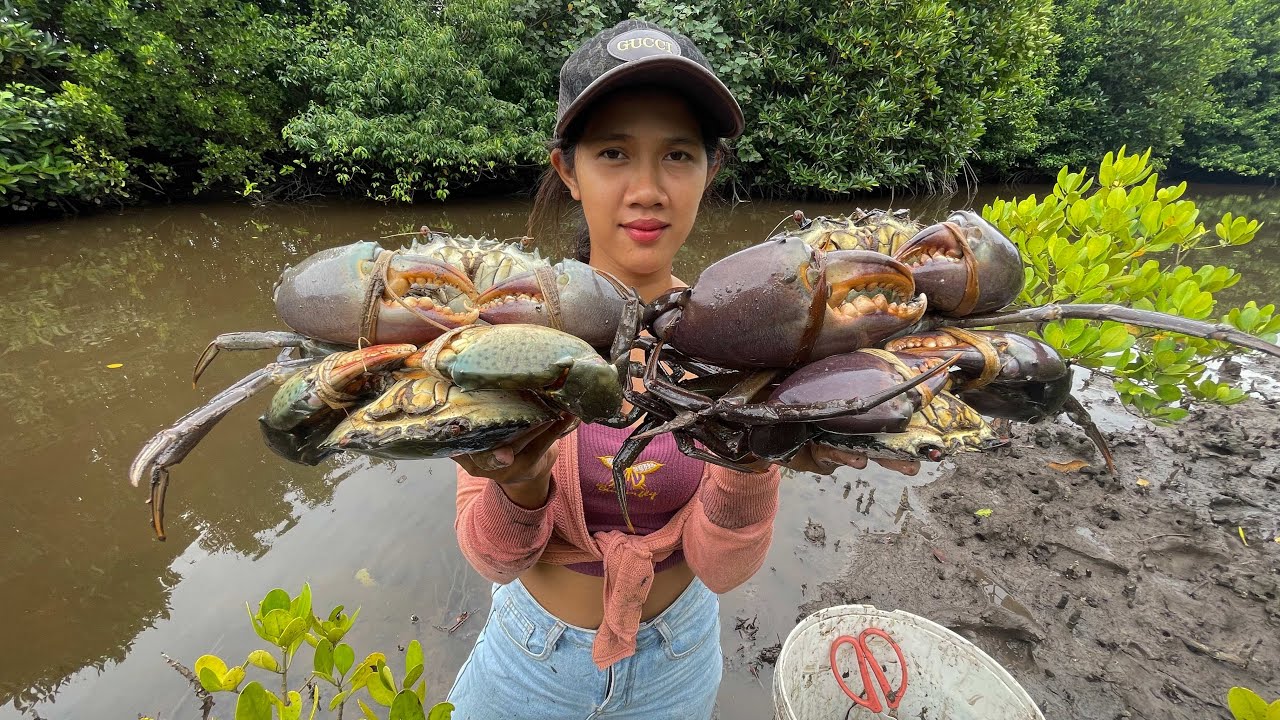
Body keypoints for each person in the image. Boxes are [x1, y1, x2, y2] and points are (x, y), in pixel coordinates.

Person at [446, 19, 913, 719]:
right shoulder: (514, 330)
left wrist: (753, 453)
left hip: (678, 661)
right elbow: (493, 559)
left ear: (709, 170)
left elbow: (723, 568)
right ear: (567, 170)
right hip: (527, 663)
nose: (647, 189)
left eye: (678, 155)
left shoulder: (747, 343)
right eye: (612, 153)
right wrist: (519, 480)